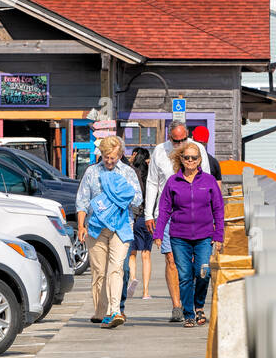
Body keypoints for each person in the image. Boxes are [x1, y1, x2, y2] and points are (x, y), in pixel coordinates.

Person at [154, 140, 224, 328]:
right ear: (181, 160)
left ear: (200, 160)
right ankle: (189, 313)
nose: (191, 161)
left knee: (203, 273)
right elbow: (165, 210)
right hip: (179, 236)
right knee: (184, 275)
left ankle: (199, 306)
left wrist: (219, 236)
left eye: (194, 158)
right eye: (187, 158)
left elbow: (218, 208)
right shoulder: (173, 182)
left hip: (204, 235)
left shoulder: (208, 181)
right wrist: (159, 233)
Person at [76, 136, 142, 328]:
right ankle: (100, 309)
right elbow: (82, 201)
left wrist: (117, 193)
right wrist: (81, 226)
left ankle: (114, 311)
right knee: (99, 271)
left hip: (121, 226)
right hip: (96, 227)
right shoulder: (92, 172)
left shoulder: (128, 172)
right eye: (106, 157)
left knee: (116, 268)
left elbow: (137, 199)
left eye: (113, 157)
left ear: (120, 154)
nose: (110, 161)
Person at [145, 121, 190, 323]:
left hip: (192, 213)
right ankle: (176, 306)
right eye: (176, 140)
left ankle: (190, 303)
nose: (180, 144)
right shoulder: (159, 152)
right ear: (169, 136)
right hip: (167, 212)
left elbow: (207, 180)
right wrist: (148, 214)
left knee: (191, 262)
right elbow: (152, 182)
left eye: (183, 139)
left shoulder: (197, 150)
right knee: (171, 259)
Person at [126, 147, 153, 300]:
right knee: (146, 255)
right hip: (147, 217)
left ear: (135, 155)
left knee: (132, 253)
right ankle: (146, 291)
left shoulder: (130, 172)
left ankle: (133, 278)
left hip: (133, 217)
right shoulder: (149, 174)